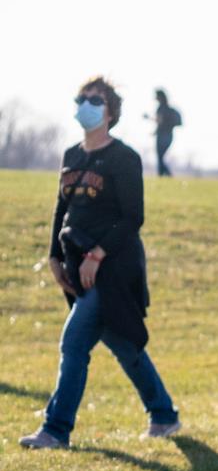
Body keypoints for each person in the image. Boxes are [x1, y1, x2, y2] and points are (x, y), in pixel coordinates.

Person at [22, 77, 182, 449]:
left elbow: (132, 218)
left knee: (74, 342)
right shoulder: (71, 155)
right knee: (123, 342)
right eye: (82, 98)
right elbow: (62, 210)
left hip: (114, 267)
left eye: (96, 101)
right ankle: (164, 414)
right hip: (78, 265)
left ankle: (55, 429)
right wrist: (54, 256)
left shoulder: (124, 158)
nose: (86, 105)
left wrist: (97, 254)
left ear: (110, 112)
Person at [148, 89, 182, 178]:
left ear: (159, 97)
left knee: (160, 157)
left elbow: (160, 122)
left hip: (161, 135)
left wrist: (148, 118)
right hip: (169, 136)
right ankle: (164, 175)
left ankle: (165, 175)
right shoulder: (168, 108)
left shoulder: (160, 108)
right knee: (161, 157)